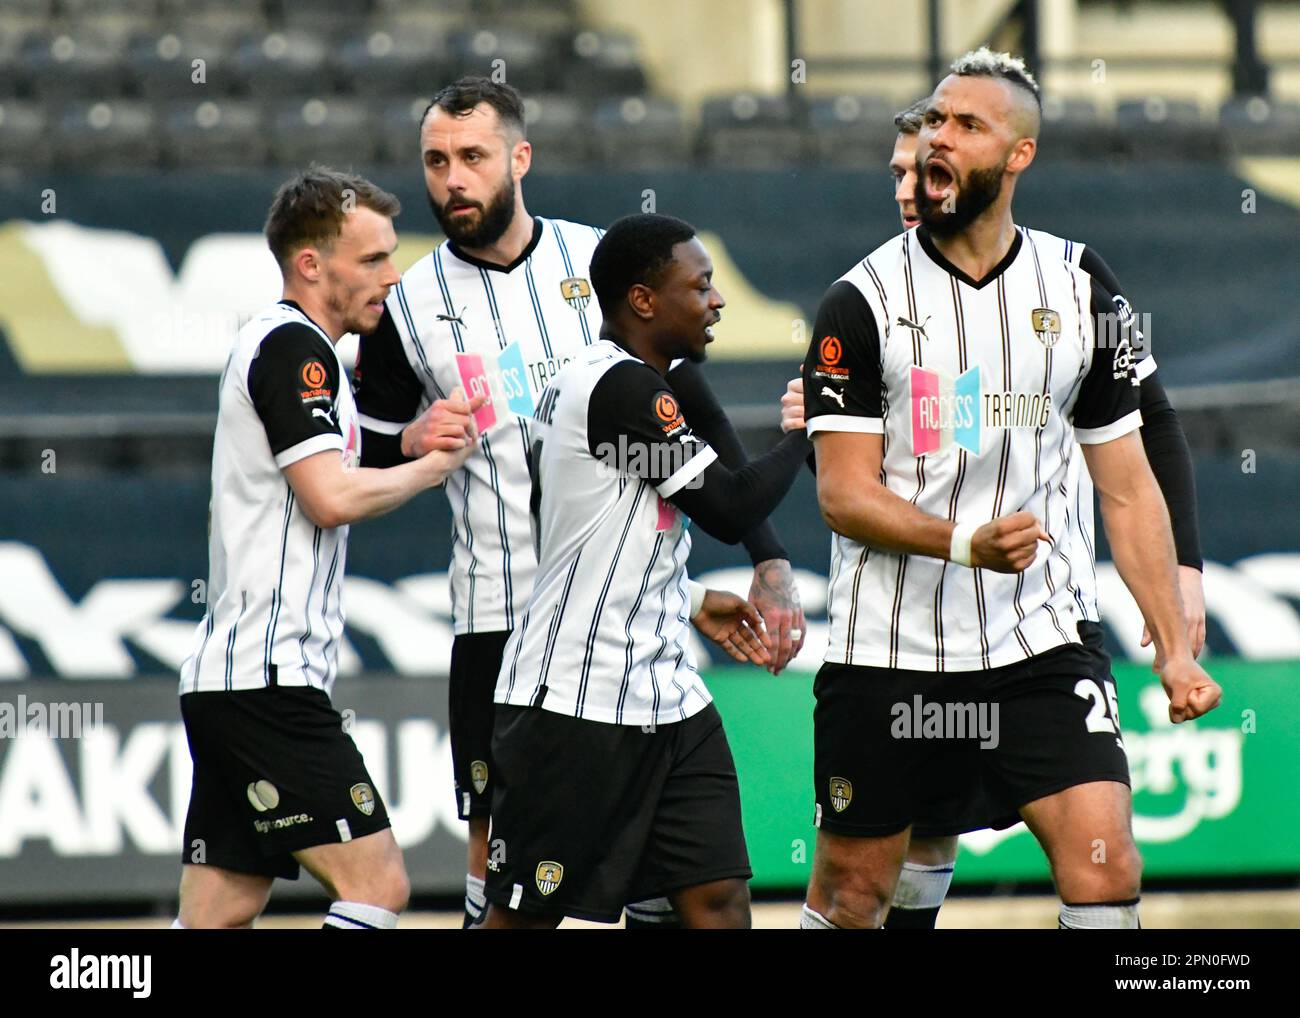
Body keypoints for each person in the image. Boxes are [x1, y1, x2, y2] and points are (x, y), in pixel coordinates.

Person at [353, 77, 806, 928]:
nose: (453, 179)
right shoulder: (407, 306)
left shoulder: (601, 263)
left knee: (690, 887)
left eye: (473, 158)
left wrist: (768, 559)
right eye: (436, 161)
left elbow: (691, 412)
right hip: (502, 622)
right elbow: (368, 459)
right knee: (506, 881)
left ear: (519, 159)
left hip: (633, 621)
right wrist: (409, 444)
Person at [797, 50, 1221, 930]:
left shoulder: (1078, 285)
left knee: (1106, 866)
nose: (938, 143)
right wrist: (964, 543)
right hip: (892, 653)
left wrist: (1174, 647)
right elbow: (841, 495)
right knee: (856, 896)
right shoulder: (861, 300)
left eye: (967, 126)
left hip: (1041, 643)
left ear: (1018, 155)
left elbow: (1130, 484)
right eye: (936, 123)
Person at [476, 214, 810, 929]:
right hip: (573, 703)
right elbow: (726, 506)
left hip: (668, 695)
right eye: (701, 285)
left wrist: (683, 600)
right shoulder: (620, 391)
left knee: (716, 900)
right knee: (521, 918)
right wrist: (811, 433)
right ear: (644, 301)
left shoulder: (629, 384)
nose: (717, 301)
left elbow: (599, 535)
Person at [173, 166, 480, 930]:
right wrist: (430, 467)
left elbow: (334, 458)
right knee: (377, 887)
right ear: (311, 264)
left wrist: (406, 436)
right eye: (372, 259)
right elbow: (329, 495)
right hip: (268, 685)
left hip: (232, 682)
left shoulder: (301, 352)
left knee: (220, 909)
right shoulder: (294, 350)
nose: (391, 274)